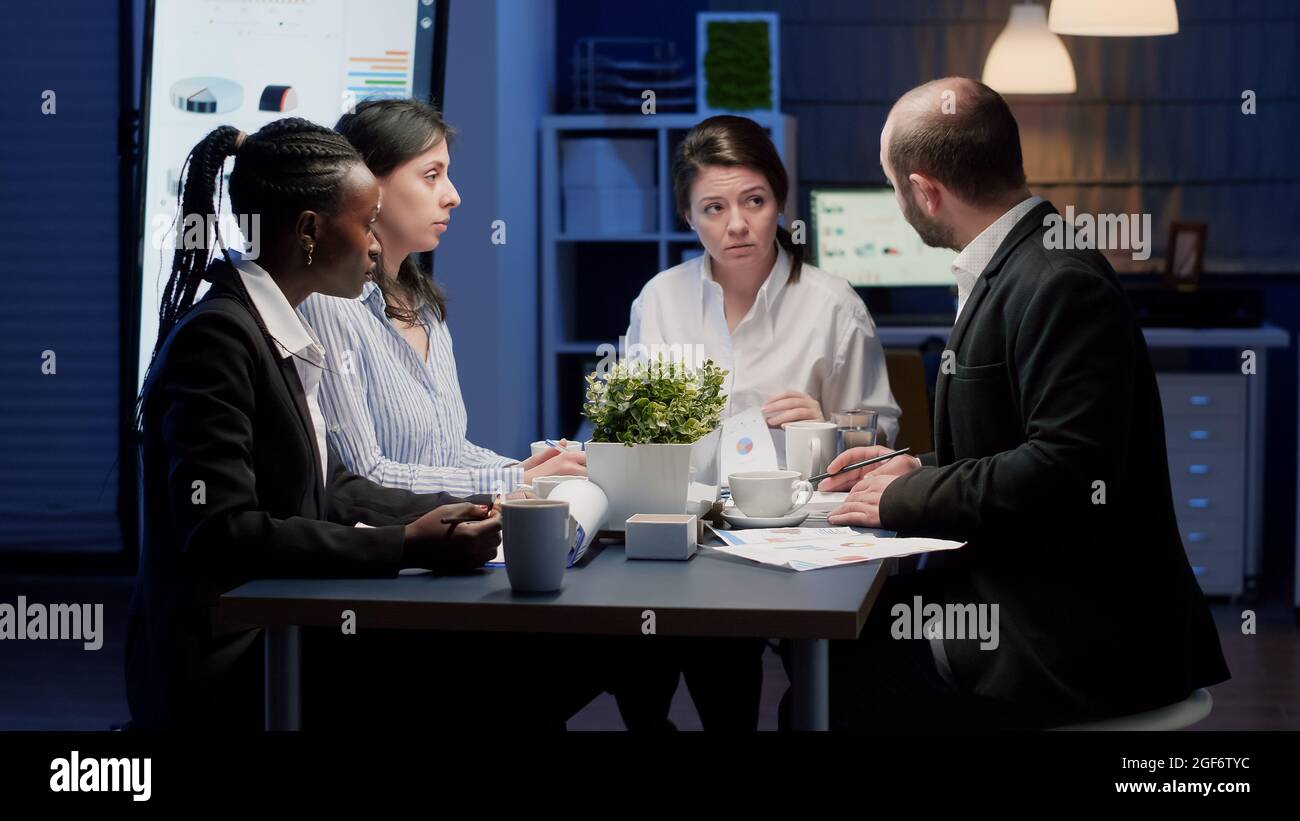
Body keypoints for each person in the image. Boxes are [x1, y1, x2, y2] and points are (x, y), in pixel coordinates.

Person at [817, 77, 1230, 730]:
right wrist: (912, 469)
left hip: (1079, 637)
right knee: (840, 649)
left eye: (895, 188)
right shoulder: (1019, 259)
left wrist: (905, 497)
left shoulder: (1059, 281)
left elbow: (1066, 471)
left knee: (830, 690)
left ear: (925, 190)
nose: (899, 202)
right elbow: (1009, 444)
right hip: (1033, 596)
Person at [127, 119, 505, 729]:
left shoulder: (269, 326)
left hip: (277, 622)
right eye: (365, 226)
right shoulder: (220, 337)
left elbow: (328, 490)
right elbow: (222, 532)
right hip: (230, 657)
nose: (377, 246)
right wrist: (406, 544)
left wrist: (478, 506)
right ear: (309, 233)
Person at [296, 99, 584, 496]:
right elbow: (365, 475)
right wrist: (515, 479)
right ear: (366, 187)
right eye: (431, 175)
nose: (453, 196)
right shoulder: (330, 302)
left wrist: (525, 468)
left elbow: (445, 454)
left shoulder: (424, 306)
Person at [626, 114, 900, 454]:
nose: (738, 225)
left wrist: (830, 428)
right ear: (689, 217)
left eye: (755, 201)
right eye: (714, 208)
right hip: (682, 504)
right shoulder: (659, 301)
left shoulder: (835, 306)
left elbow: (881, 438)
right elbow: (634, 435)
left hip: (804, 504)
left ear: (779, 201)